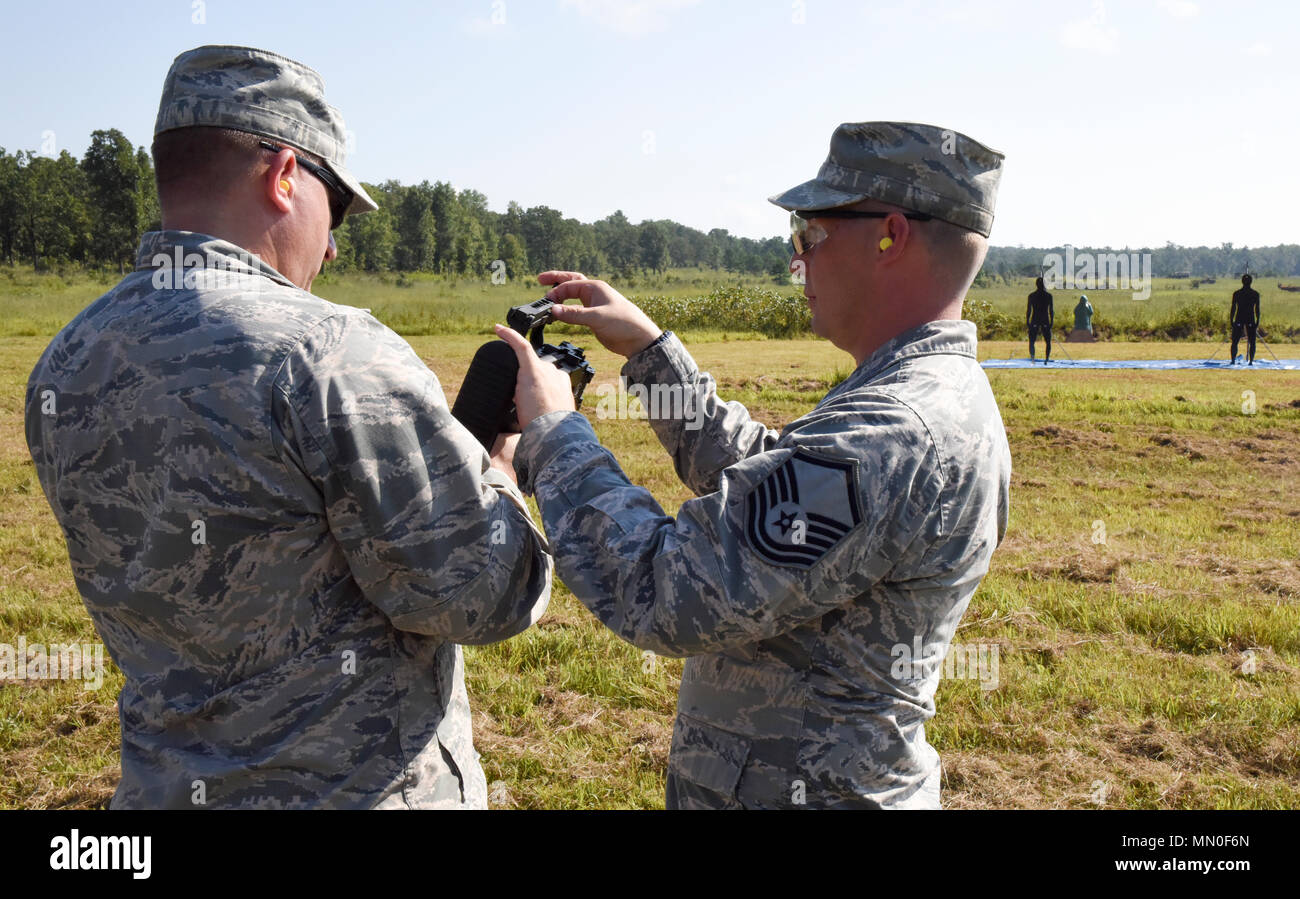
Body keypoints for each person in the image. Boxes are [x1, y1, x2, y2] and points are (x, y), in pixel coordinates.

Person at [24, 45, 551, 809]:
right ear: (282, 176)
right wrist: (502, 464)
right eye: (334, 210)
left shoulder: (64, 360)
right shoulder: (331, 351)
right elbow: (483, 593)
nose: (333, 245)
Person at [498, 122, 1011, 808]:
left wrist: (555, 433)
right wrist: (651, 354)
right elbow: (770, 478)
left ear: (890, 235)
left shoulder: (893, 431)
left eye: (810, 236)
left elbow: (669, 584)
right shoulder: (920, 397)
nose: (798, 262)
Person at [1230, 274, 1261, 365]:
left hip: (1241, 318)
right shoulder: (1255, 294)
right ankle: (1250, 361)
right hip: (1249, 318)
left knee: (1236, 341)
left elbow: (1233, 308)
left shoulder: (1237, 293)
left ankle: (1233, 361)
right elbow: (1257, 309)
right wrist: (1257, 320)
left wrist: (1231, 319)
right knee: (1251, 342)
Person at [1027, 276, 1054, 362]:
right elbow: (1051, 311)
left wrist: (1027, 321)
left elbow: (1029, 310)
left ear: (1036, 285)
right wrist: (1051, 321)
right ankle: (1046, 359)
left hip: (1035, 319)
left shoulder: (1032, 296)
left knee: (1032, 341)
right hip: (1044, 320)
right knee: (1047, 341)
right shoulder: (1048, 296)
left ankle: (1033, 359)